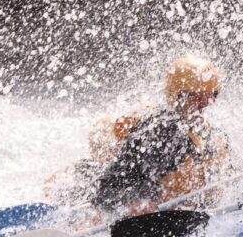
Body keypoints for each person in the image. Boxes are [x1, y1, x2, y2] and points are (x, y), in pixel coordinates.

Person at [92, 55, 227, 215]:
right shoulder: (159, 132)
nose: (205, 104)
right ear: (178, 96)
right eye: (196, 97)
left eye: (212, 96)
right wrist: (136, 202)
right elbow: (107, 188)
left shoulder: (209, 132)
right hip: (98, 179)